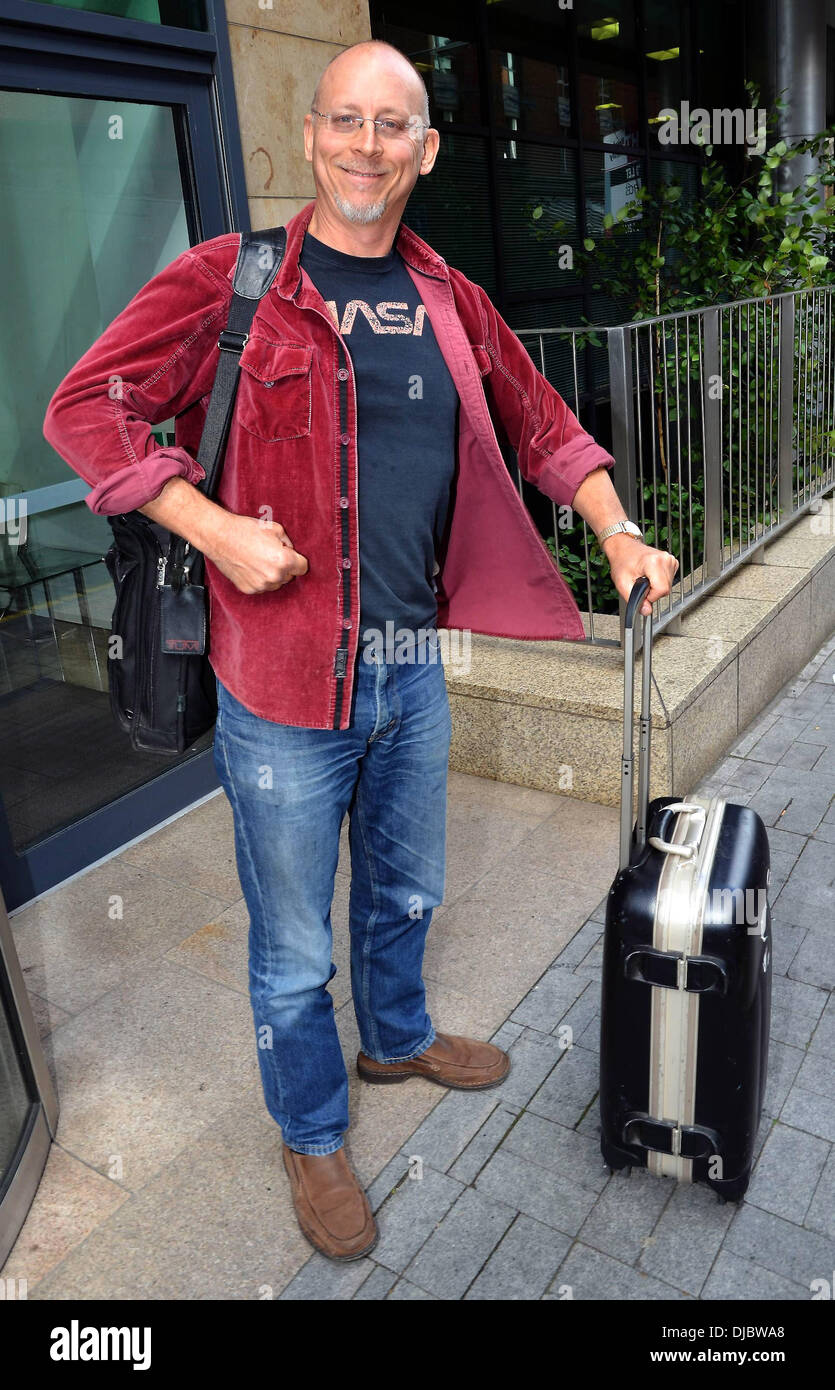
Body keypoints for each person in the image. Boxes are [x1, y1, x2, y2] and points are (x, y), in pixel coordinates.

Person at [43, 38, 679, 1264]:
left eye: (394, 128)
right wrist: (213, 525)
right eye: (347, 121)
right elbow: (85, 404)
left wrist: (621, 533)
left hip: (408, 669)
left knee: (406, 888)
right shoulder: (236, 280)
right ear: (314, 132)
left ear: (425, 151)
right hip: (280, 685)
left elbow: (543, 426)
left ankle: (395, 1034)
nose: (368, 148)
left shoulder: (449, 297)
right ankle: (311, 1129)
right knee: (288, 948)